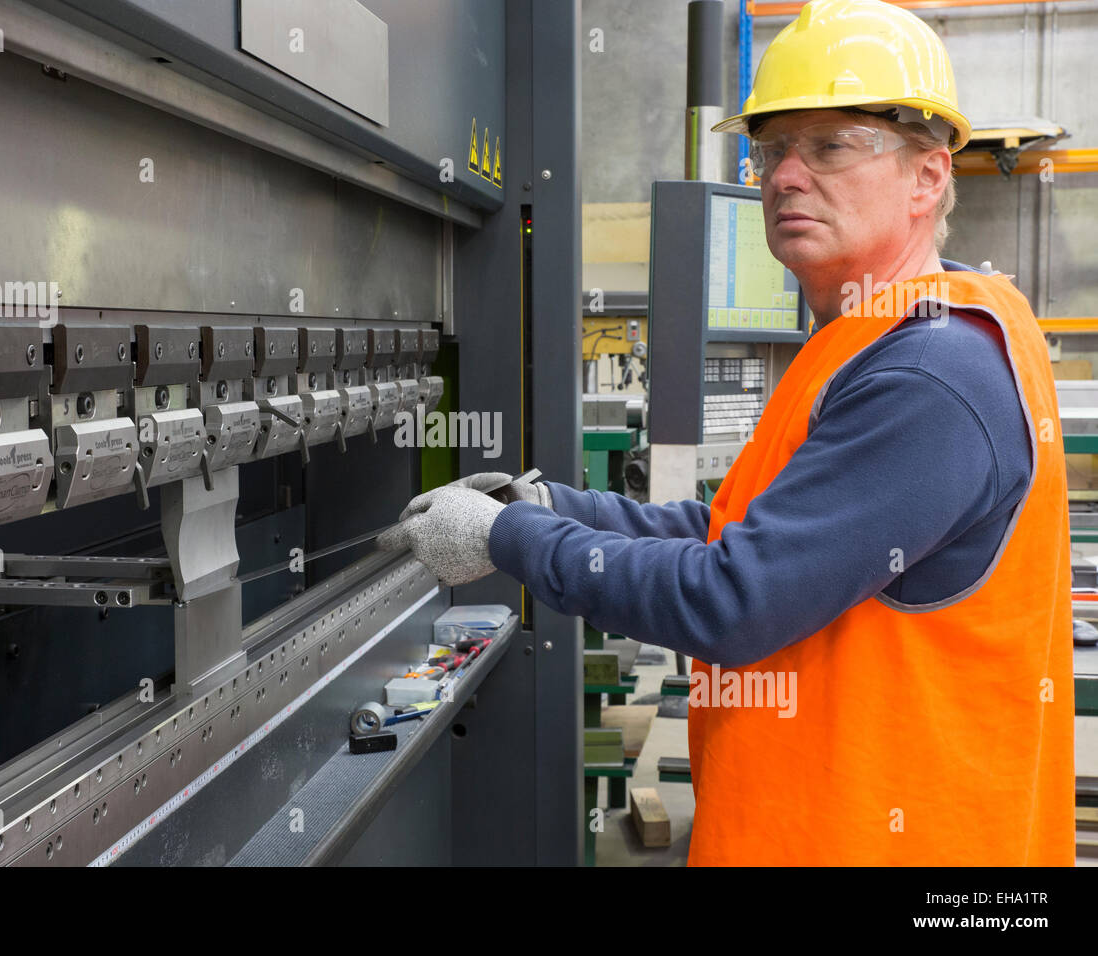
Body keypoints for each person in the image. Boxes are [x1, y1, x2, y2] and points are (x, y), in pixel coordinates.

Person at [378, 0, 1073, 865]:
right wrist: (552, 504)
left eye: (830, 146)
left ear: (929, 176)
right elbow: (731, 534)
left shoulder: (928, 378)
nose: (785, 176)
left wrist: (509, 537)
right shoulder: (875, 342)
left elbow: (732, 599)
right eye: (772, 148)